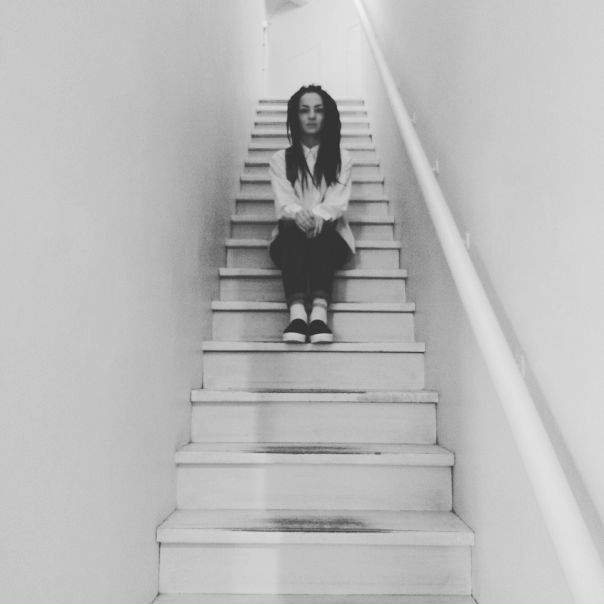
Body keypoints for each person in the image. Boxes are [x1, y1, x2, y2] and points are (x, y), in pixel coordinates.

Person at [268, 84, 356, 344]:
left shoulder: (342, 158)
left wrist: (318, 216)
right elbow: (284, 200)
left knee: (323, 232)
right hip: (289, 242)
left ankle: (318, 315)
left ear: (327, 115)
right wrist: (299, 215)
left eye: (318, 110)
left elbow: (337, 202)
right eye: (304, 110)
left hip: (331, 241)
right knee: (292, 230)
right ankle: (297, 315)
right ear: (295, 116)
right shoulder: (280, 159)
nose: (311, 116)